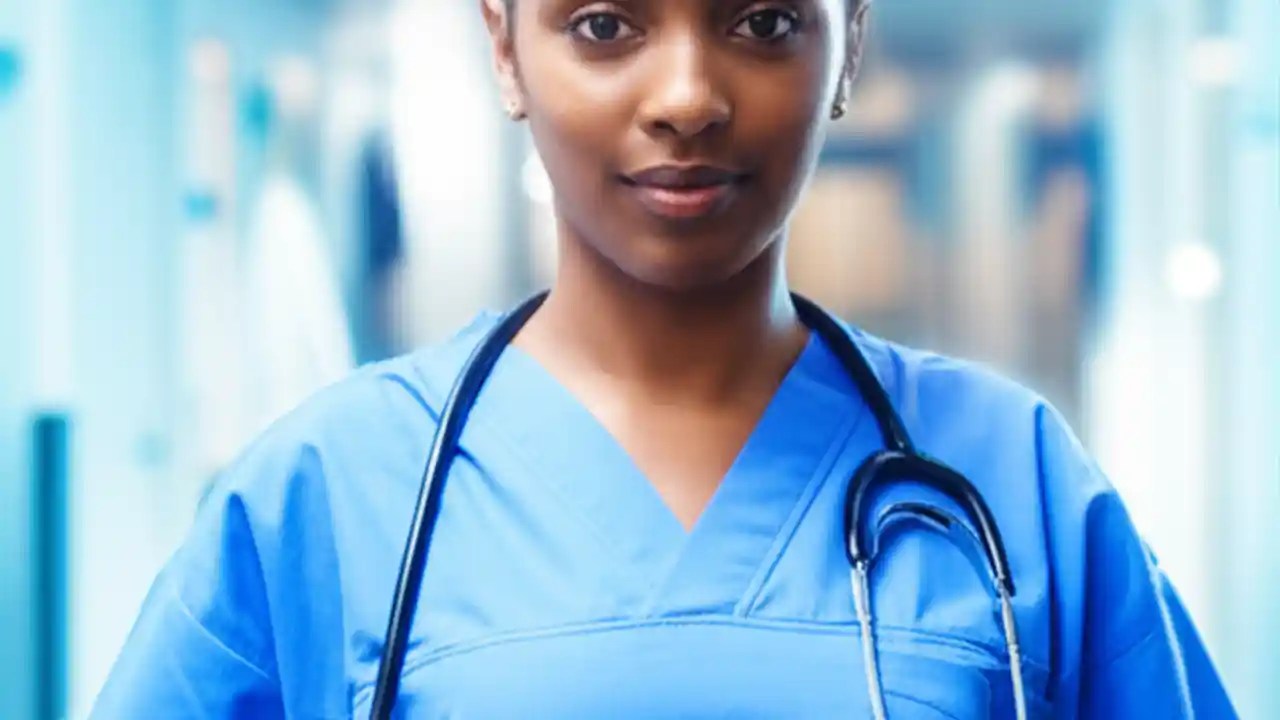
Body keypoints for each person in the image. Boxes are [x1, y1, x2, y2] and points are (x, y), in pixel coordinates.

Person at [91, 0, 1236, 717]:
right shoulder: (330, 489)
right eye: (603, 26)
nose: (686, 96)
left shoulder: (1012, 473)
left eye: (762, 22)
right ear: (504, 47)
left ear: (849, 46)